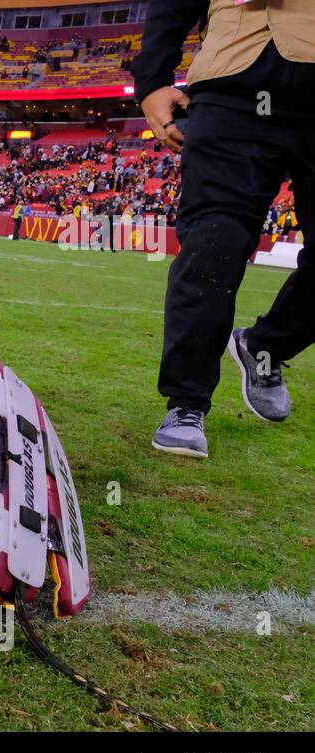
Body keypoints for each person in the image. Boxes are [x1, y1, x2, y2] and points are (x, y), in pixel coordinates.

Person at [134, 1, 315, 459]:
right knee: (215, 242)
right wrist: (153, 79)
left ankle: (266, 346)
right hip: (232, 89)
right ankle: (186, 402)